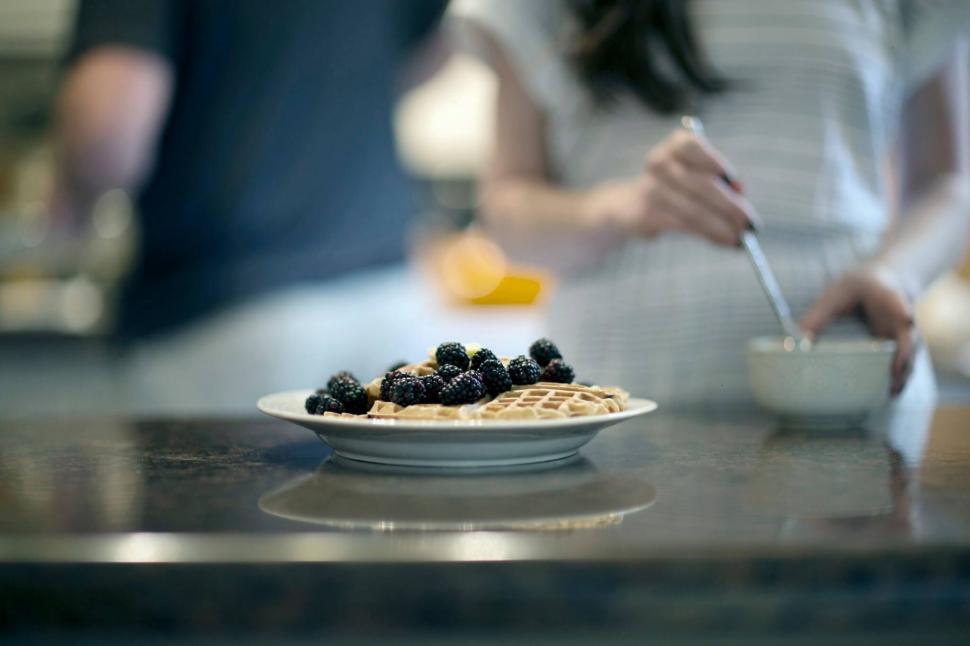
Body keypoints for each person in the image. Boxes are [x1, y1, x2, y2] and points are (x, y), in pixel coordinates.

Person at [448, 0, 970, 405]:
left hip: (856, 391)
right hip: (616, 411)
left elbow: (949, 180)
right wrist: (621, 208)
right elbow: (505, 209)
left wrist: (895, 274)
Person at [51, 0, 446, 412]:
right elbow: (438, 47)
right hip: (391, 295)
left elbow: (108, 128)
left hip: (226, 317)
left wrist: (72, 199)